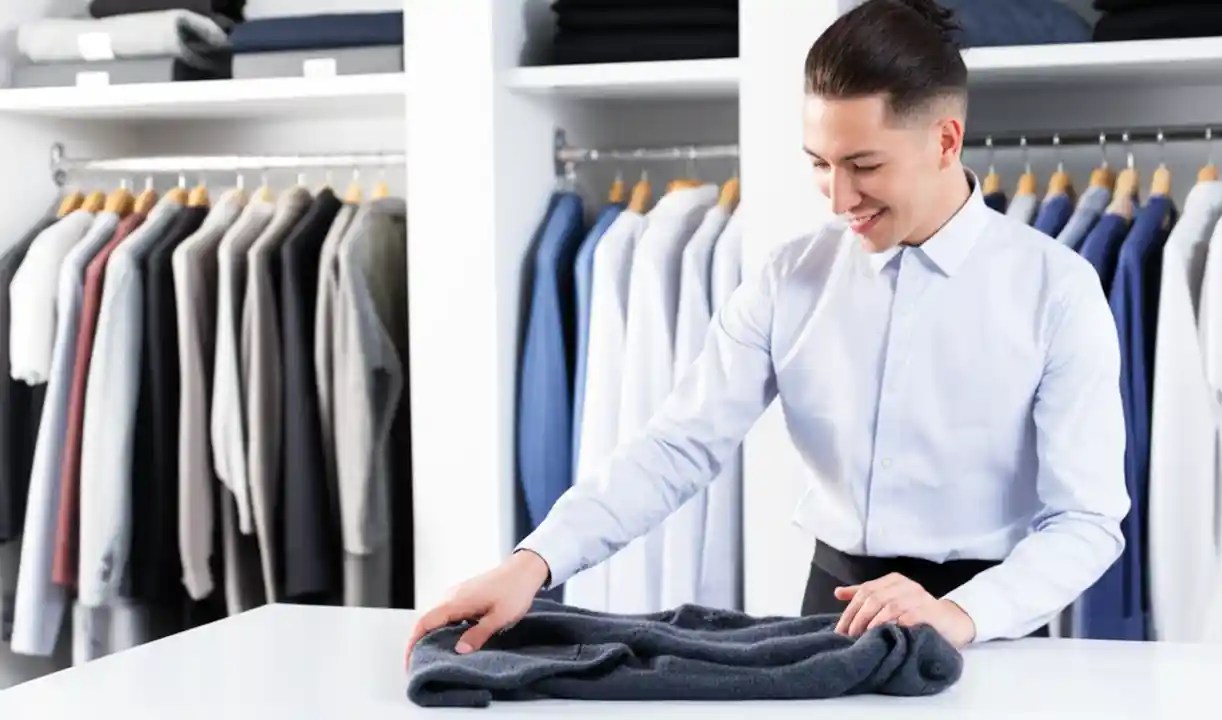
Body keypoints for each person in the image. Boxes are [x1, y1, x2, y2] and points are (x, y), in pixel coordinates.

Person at [407, 0, 1129, 661]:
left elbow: (1087, 520)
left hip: (985, 628)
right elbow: (676, 446)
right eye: (819, 164)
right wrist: (531, 565)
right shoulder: (790, 278)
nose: (839, 197)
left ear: (945, 140)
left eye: (863, 165)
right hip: (828, 616)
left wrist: (958, 613)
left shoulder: (1056, 290)